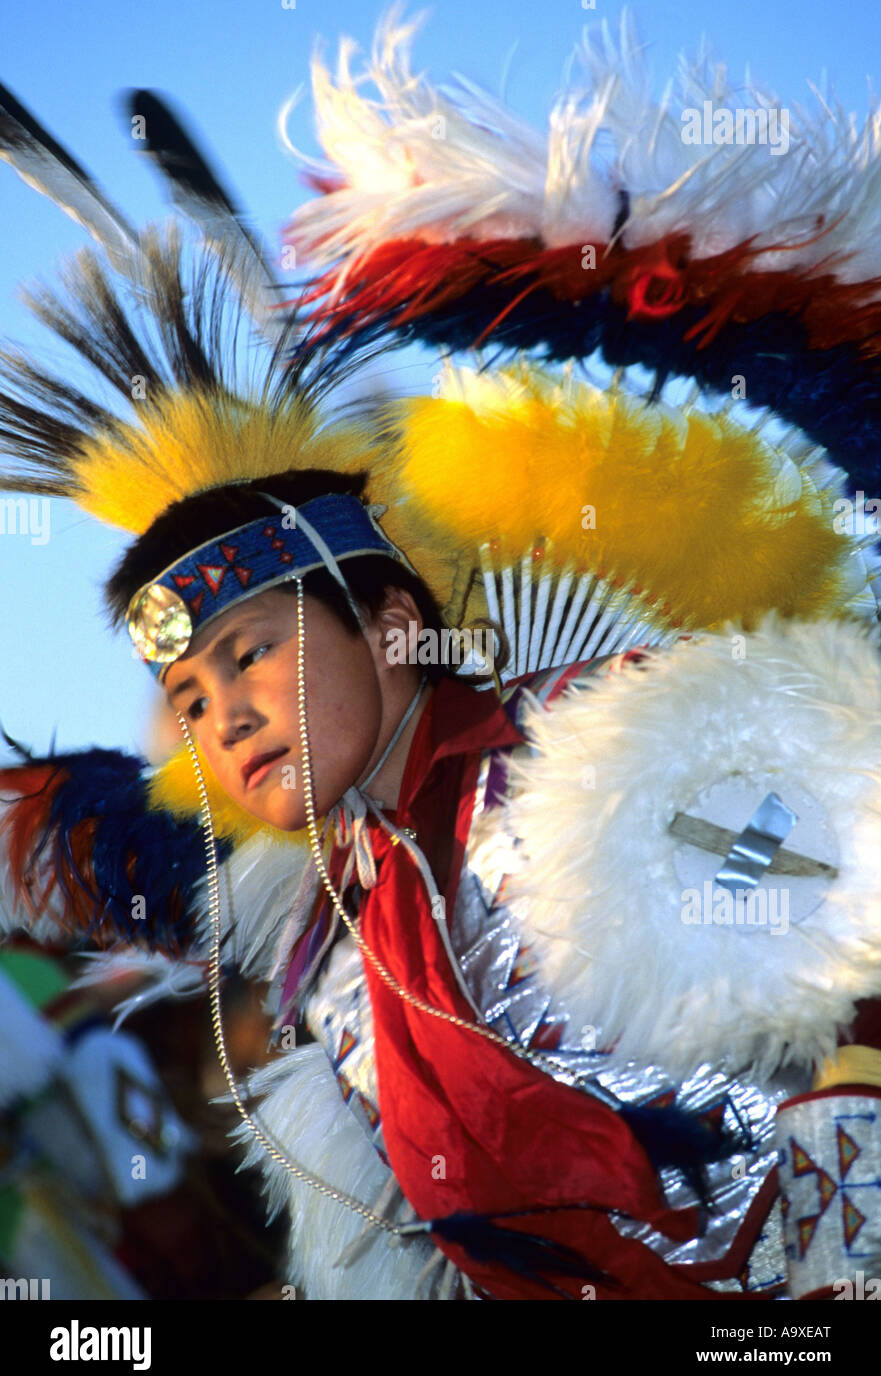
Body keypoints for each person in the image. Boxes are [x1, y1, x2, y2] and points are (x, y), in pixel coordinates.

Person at [1, 22, 880, 1299]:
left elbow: (850, 952)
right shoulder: (330, 942)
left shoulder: (594, 751)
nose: (219, 715)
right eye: (189, 697)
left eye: (249, 655)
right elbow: (86, 850)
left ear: (397, 626)